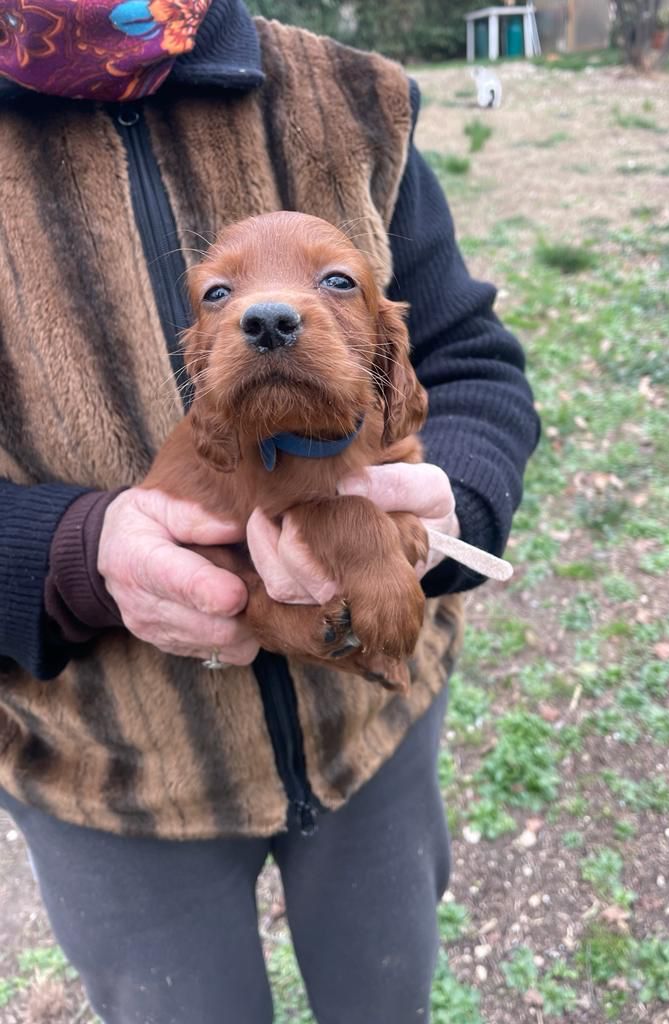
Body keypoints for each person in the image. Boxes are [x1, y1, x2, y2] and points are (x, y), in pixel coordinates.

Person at [0, 2, 540, 1022]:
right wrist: (65, 554)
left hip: (374, 725)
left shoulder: (355, 95)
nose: (272, 312)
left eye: (331, 284)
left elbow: (468, 365)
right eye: (221, 301)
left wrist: (441, 506)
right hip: (107, 773)